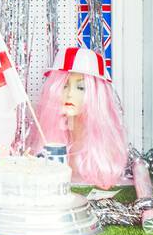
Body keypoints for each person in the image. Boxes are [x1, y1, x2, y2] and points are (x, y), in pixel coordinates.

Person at [34, 46, 128, 189]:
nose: (70, 94)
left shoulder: (104, 150)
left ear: (97, 95)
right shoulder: (50, 139)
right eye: (65, 86)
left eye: (81, 87)